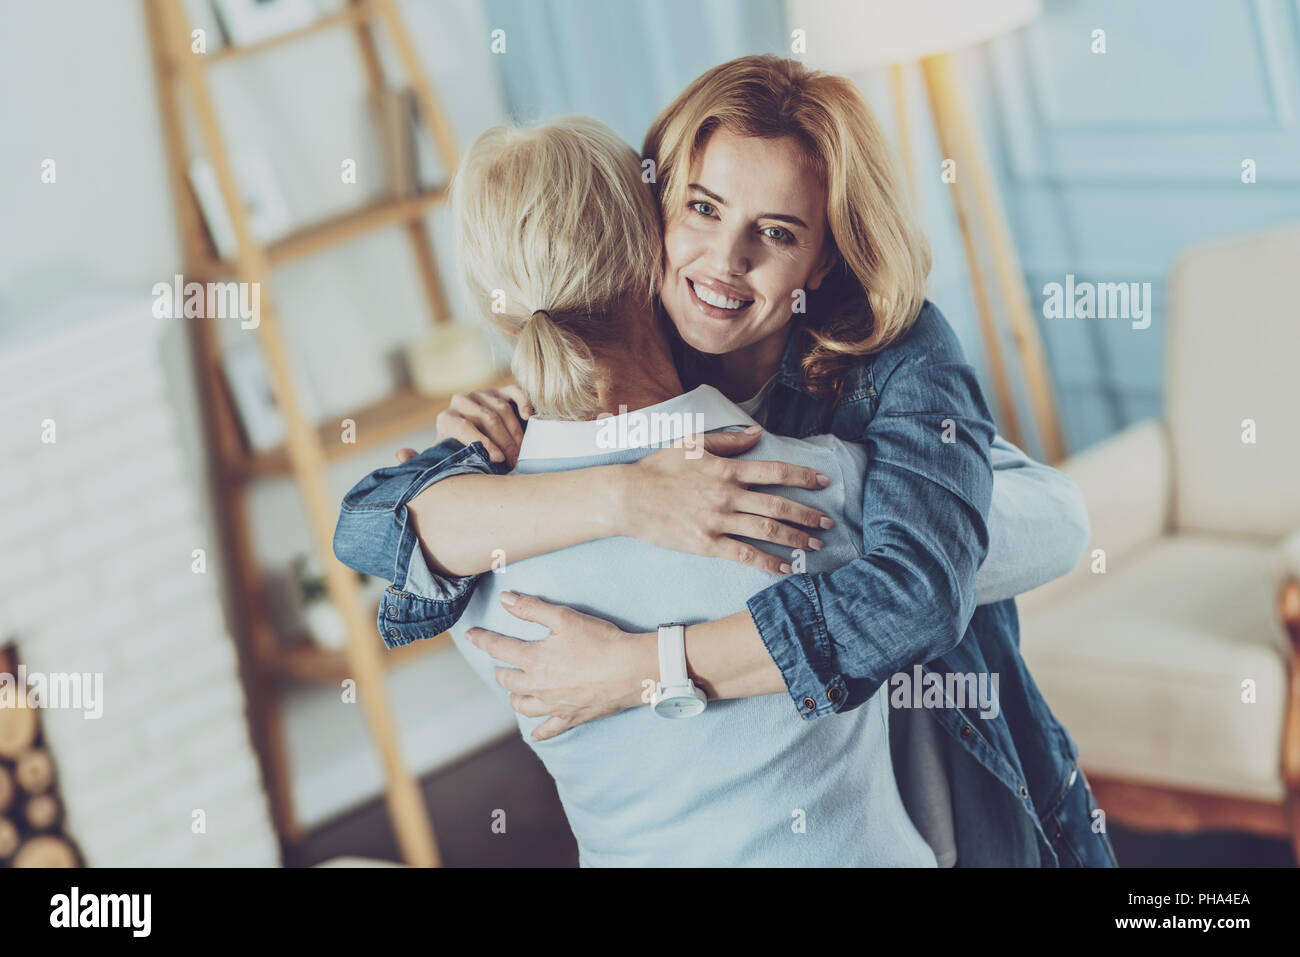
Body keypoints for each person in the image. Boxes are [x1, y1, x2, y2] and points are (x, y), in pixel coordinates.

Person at [334, 56, 1117, 867]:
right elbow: (366, 526)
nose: (725, 259)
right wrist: (628, 496)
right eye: (702, 209)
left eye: (776, 232)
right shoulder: (590, 411)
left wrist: (646, 667)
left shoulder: (891, 357)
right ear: (650, 220)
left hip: (961, 780)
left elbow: (941, 583)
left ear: (824, 259)